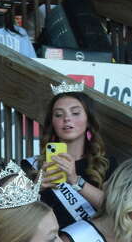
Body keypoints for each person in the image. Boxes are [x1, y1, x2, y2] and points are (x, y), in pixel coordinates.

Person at [24, 82, 112, 228]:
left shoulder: (105, 164)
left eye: (75, 113)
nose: (67, 119)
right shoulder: (34, 166)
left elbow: (115, 209)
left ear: (88, 120)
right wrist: (35, 187)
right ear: (52, 122)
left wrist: (76, 181)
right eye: (59, 114)